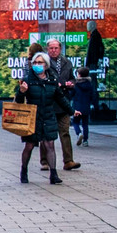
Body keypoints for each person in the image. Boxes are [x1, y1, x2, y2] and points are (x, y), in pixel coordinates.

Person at [16, 52, 72, 185]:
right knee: (29, 146)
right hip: (32, 117)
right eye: (35, 63)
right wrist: (21, 91)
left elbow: (60, 98)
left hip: (48, 116)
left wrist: (72, 111)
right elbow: (18, 101)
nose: (37, 65)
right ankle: (24, 170)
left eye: (40, 62)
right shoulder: (28, 80)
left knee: (49, 144)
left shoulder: (52, 80)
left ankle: (53, 174)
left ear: (46, 65)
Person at [42, 39, 79, 171]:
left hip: (63, 101)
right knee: (46, 133)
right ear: (47, 49)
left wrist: (71, 83)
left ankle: (68, 160)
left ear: (60, 49)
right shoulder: (43, 62)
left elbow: (72, 77)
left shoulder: (66, 62)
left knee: (65, 132)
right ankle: (45, 161)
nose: (53, 50)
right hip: (49, 102)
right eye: (51, 48)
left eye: (56, 48)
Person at [71, 67, 99, 147]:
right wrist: (93, 104)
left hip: (77, 107)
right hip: (86, 107)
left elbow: (71, 94)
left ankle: (79, 133)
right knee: (85, 124)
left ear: (79, 75)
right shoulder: (89, 84)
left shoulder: (76, 84)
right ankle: (85, 140)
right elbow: (93, 95)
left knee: (75, 122)